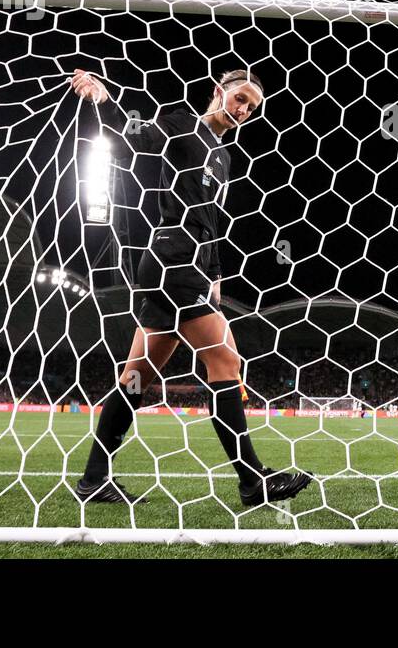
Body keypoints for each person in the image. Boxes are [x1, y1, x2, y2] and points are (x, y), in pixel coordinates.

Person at [69, 66, 312, 507]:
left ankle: (93, 480)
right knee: (225, 358)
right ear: (219, 91)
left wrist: (215, 271)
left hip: (190, 264)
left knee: (137, 379)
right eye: (240, 99)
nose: (244, 110)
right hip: (171, 256)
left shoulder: (224, 156)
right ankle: (252, 480)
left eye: (252, 108)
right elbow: (137, 137)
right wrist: (106, 101)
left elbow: (212, 220)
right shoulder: (182, 123)